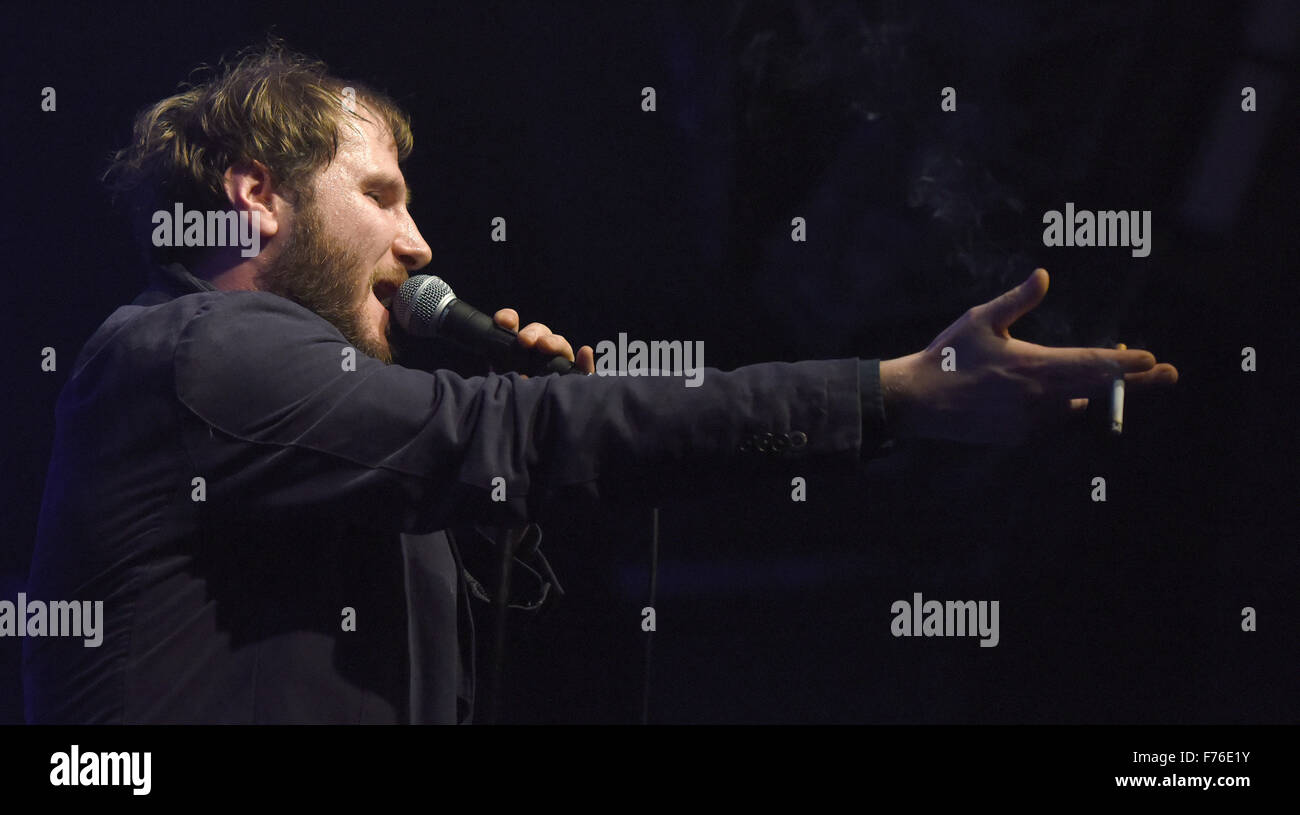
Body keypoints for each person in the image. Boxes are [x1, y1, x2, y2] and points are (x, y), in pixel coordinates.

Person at [24, 45, 1177, 724]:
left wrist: (500, 446)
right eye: (380, 195)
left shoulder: (323, 426)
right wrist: (892, 389)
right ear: (255, 196)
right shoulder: (187, 350)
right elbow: (511, 440)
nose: (420, 242)